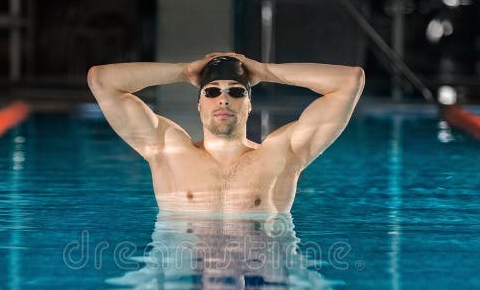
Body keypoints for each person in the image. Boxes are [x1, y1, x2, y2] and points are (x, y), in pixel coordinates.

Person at [87, 52, 364, 213]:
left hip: (262, 274)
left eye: (235, 91)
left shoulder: (281, 153)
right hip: (182, 271)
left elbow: (349, 81)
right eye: (211, 91)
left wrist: (266, 71)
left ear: (249, 103)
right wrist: (183, 72)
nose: (223, 99)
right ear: (199, 103)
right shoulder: (168, 150)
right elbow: (101, 80)